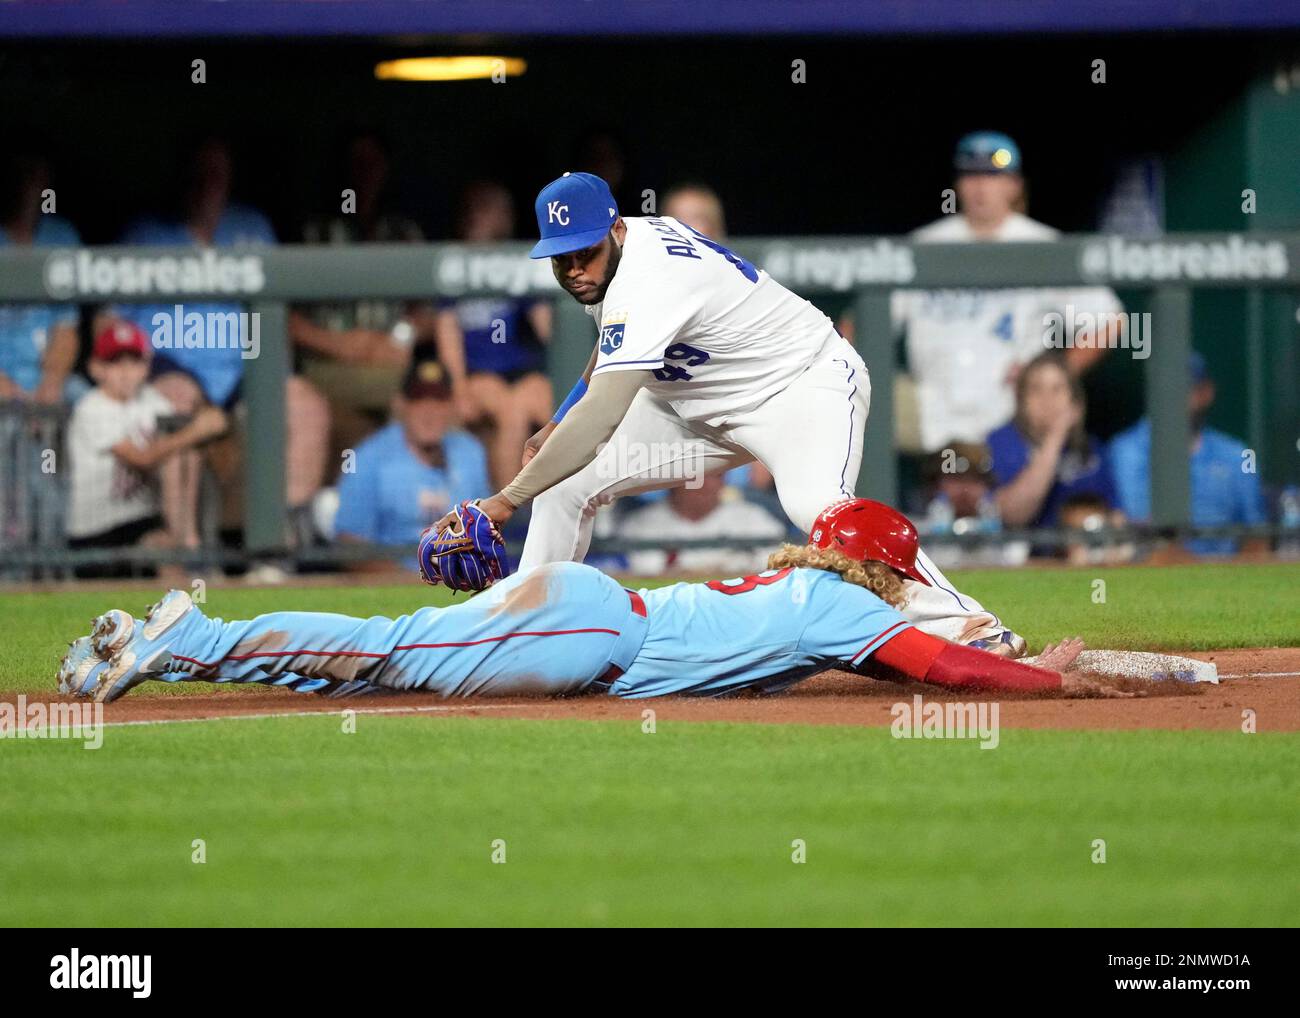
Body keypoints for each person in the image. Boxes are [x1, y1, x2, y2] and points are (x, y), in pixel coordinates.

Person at [436, 171, 1028, 657]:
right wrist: (560, 415)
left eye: (584, 253)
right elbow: (607, 347)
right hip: (693, 408)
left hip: (799, 389)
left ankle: (970, 626)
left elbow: (607, 412)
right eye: (560, 259)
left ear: (616, 228)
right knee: (564, 485)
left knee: (821, 512)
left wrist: (503, 500)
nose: (574, 271)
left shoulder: (649, 274)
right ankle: (529, 635)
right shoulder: (613, 257)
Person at [59, 498, 1110, 704]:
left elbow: (913, 662)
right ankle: (190, 635)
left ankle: (195, 637)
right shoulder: (844, 606)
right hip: (596, 629)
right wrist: (1045, 679)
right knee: (384, 652)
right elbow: (948, 665)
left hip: (588, 614)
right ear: (883, 570)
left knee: (389, 650)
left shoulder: (812, 589)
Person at [114, 137, 329, 535]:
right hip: (172, 365)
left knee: (306, 405)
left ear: (229, 179)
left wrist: (277, 373)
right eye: (199, 172)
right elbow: (111, 321)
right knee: (176, 400)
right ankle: (188, 554)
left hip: (244, 368)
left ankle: (280, 542)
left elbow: (276, 315)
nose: (207, 182)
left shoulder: (252, 227)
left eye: (216, 173)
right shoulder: (146, 232)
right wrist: (130, 378)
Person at [882, 131, 1126, 453]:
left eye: (994, 176)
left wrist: (1049, 377)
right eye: (972, 176)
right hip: (931, 420)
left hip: (1008, 420)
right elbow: (859, 326)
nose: (981, 187)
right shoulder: (923, 245)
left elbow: (1110, 321)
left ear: (1015, 185)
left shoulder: (1043, 246)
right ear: (958, 184)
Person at [290, 129, 427, 461]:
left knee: (425, 413)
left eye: (374, 163)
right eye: (357, 163)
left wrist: (400, 337)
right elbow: (284, 319)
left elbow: (430, 311)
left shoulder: (403, 232)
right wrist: (340, 344)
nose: (365, 172)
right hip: (330, 371)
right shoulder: (314, 231)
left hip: (391, 368)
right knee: (356, 436)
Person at [65, 322, 228, 572]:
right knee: (164, 551)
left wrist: (205, 422)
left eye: (134, 362)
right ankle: (186, 550)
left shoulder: (150, 400)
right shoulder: (91, 407)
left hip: (141, 520)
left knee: (184, 455)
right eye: (115, 362)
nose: (126, 372)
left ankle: (188, 542)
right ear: (96, 368)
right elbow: (141, 458)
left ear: (146, 367)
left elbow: (180, 446)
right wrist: (198, 429)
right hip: (96, 531)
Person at [433, 181, 553, 488]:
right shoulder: (452, 262)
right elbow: (447, 331)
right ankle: (509, 518)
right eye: (485, 207)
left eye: (501, 208)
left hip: (522, 367)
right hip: (479, 373)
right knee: (512, 413)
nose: (494, 215)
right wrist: (457, 387)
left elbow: (548, 328)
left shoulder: (515, 259)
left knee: (561, 409)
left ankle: (590, 509)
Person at [332, 345, 490, 570]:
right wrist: (407, 582)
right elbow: (350, 544)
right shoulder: (368, 458)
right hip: (397, 588)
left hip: (461, 582)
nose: (429, 411)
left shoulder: (470, 451)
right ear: (400, 405)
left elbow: (485, 532)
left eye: (439, 400)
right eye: (419, 400)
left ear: (451, 407)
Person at [1109, 353, 1266, 557]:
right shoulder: (1124, 451)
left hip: (1222, 577)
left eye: (1184, 388)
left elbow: (1258, 535)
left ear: (1206, 393)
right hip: (1147, 575)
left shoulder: (1238, 455)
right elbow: (1132, 526)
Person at [987, 351, 1117, 529]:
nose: (1047, 400)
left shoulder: (1091, 449)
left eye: (1057, 389)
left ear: (1075, 400)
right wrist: (1055, 438)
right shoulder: (1000, 443)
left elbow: (1114, 515)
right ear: (1022, 401)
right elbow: (1013, 516)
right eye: (1036, 389)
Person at [0, 145, 85, 405]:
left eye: (34, 175)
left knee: (86, 400)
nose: (26, 184)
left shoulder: (61, 236)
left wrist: (51, 383)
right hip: (4, 380)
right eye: (19, 174)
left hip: (41, 378)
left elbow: (66, 327)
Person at [616, 470, 787, 575]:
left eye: (716, 476)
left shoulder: (752, 516)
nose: (708, 485)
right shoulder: (641, 523)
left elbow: (779, 562)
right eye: (698, 477)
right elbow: (643, 573)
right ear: (675, 481)